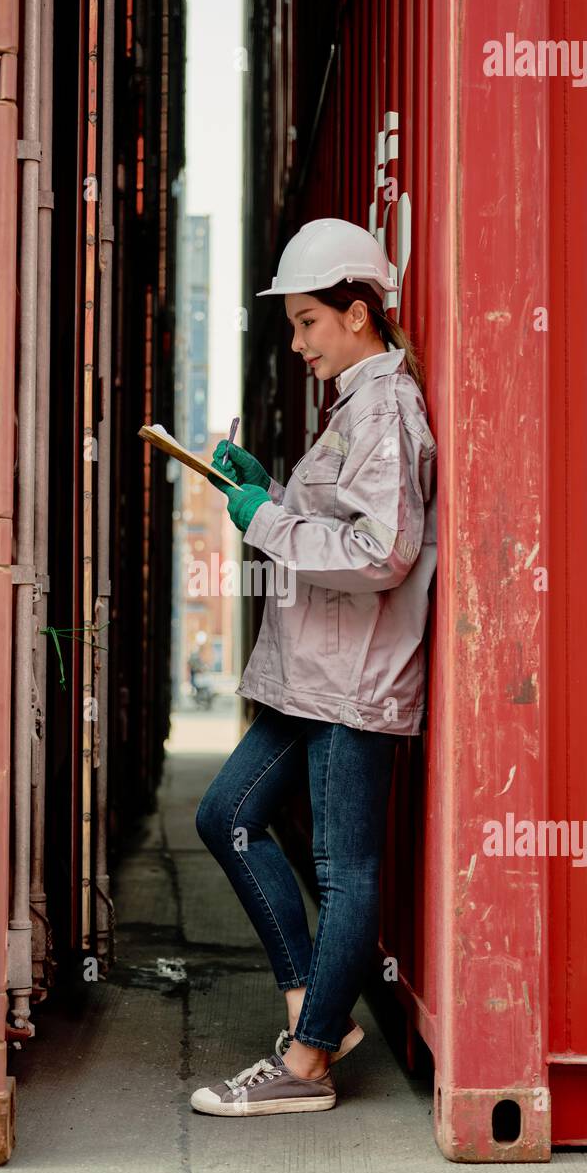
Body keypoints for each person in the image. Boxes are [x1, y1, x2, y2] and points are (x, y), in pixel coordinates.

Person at [190, 217, 437, 1116]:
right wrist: (264, 488)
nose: (296, 344)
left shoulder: (385, 411)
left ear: (358, 313)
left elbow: (383, 551)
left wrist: (264, 520)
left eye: (307, 322)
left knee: (345, 871)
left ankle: (306, 1067)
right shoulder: (355, 407)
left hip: (354, 684)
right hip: (315, 676)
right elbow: (335, 523)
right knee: (226, 816)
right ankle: (313, 1008)